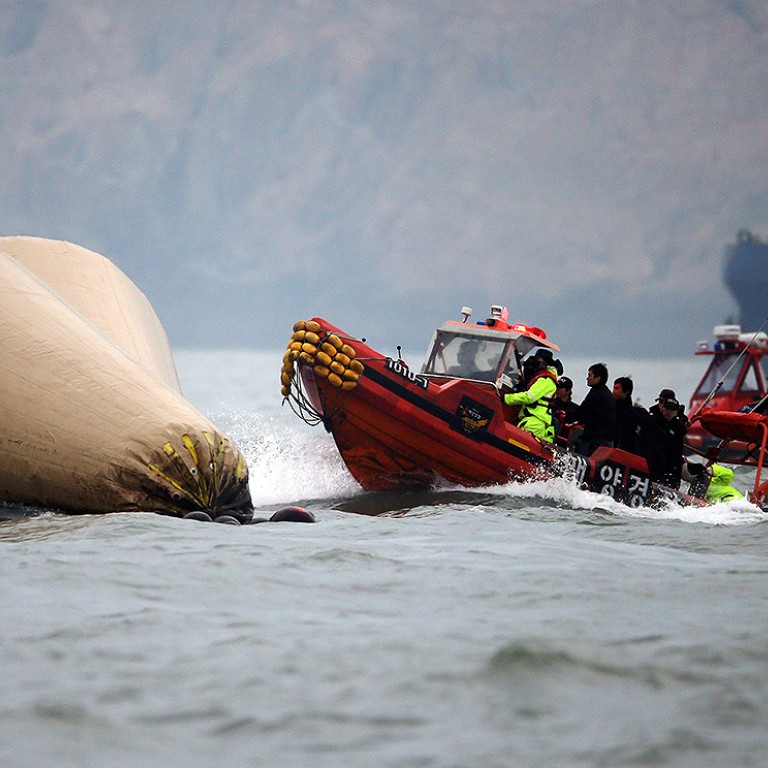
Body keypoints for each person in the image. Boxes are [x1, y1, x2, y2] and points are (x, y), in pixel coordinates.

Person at [499, 348, 559, 442]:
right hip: (530, 420)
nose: (534, 361)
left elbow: (529, 397)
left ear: (545, 363)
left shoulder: (547, 380)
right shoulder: (539, 378)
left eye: (538, 359)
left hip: (535, 423)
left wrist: (505, 398)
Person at [636, 395, 687, 488]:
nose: (668, 412)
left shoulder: (678, 427)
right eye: (667, 408)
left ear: (676, 412)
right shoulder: (652, 421)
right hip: (652, 463)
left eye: (672, 409)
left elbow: (677, 450)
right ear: (663, 408)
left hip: (670, 467)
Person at [569, 362, 617, 456]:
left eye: (590, 375)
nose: (587, 378)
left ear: (598, 378)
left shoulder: (596, 393)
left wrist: (568, 418)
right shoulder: (605, 393)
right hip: (603, 439)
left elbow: (583, 410)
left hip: (596, 441)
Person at [613, 376, 640, 453]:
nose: (614, 391)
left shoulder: (628, 413)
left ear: (626, 391)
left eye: (617, 388)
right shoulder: (611, 406)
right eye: (614, 388)